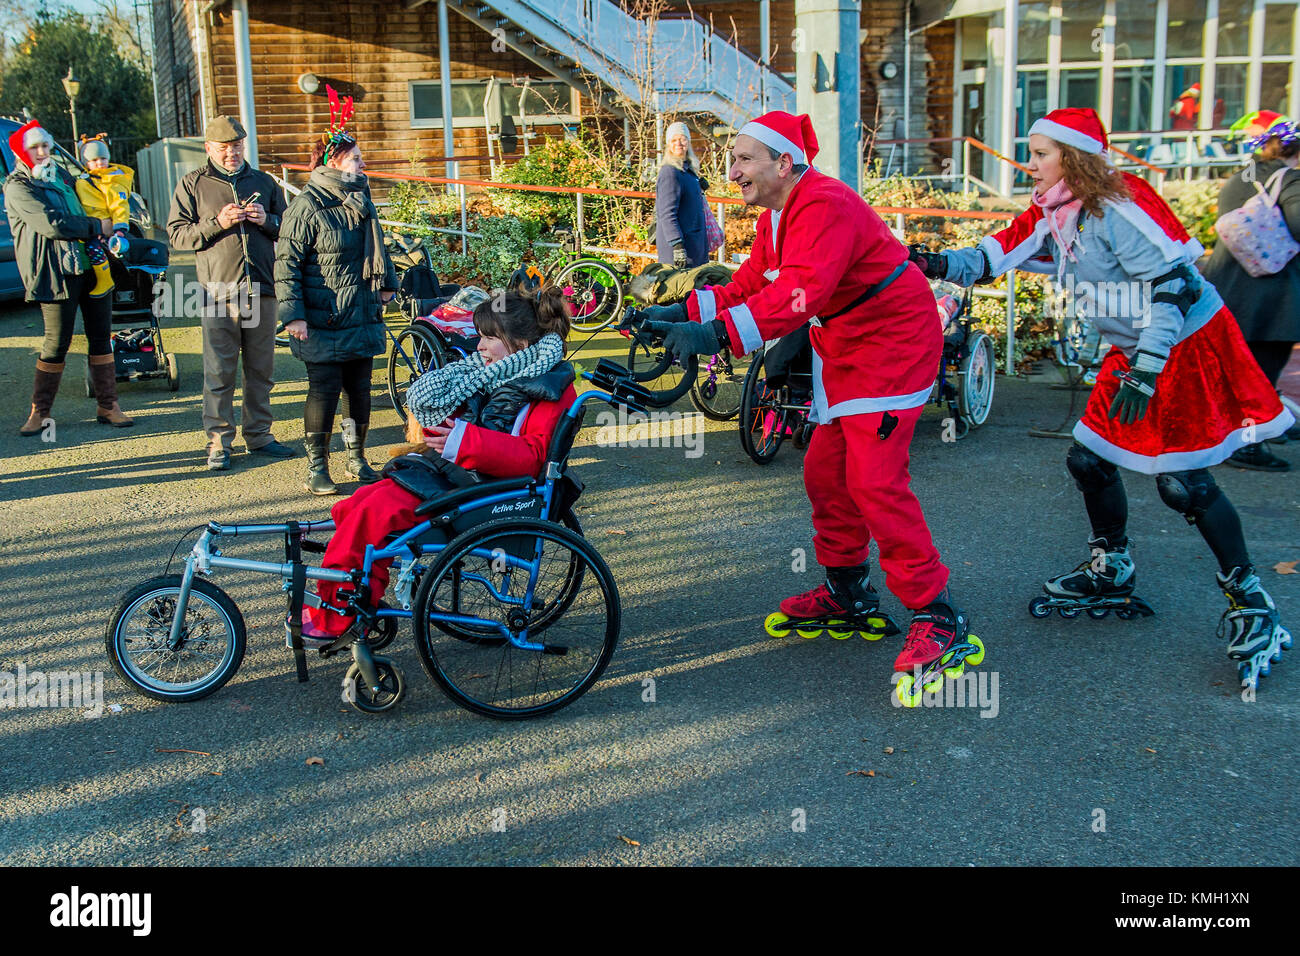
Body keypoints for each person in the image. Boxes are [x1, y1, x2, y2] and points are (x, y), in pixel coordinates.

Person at [911, 107, 1294, 689]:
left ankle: (1252, 601)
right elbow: (994, 254)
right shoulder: (1057, 208)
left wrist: (1147, 369)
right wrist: (931, 262)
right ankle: (1112, 566)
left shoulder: (1118, 204)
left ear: (1074, 158)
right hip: (1133, 349)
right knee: (1088, 457)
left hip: (1181, 345)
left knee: (1181, 483)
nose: (1029, 165)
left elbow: (1175, 285)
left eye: (1040, 154)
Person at [640, 110, 966, 684]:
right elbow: (747, 286)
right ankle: (848, 590)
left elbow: (797, 296)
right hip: (847, 346)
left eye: (743, 159)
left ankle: (935, 613)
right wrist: (680, 312)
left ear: (783, 163)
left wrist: (713, 336)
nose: (731, 170)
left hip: (893, 345)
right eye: (731, 158)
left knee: (875, 481)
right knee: (825, 469)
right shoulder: (779, 214)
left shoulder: (824, 205)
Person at [295, 286, 575, 643]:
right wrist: (443, 416)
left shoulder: (547, 386)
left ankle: (337, 614)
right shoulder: (504, 372)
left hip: (483, 489)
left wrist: (463, 441)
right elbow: (474, 427)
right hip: (460, 474)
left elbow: (532, 458)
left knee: (369, 517)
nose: (479, 347)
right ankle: (357, 598)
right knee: (354, 506)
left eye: (489, 338)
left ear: (519, 344)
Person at [275, 93, 398, 496]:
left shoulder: (362, 201)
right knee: (324, 390)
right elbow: (286, 263)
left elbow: (377, 250)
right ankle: (317, 465)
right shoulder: (306, 206)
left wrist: (387, 285)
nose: (362, 166)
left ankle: (357, 456)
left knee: (359, 390)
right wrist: (292, 315)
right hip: (322, 317)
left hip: (360, 311)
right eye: (356, 160)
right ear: (334, 162)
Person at [167, 114, 294, 471]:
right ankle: (219, 441)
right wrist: (217, 223)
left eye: (236, 146)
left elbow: (287, 227)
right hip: (218, 290)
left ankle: (260, 435)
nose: (231, 153)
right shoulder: (193, 184)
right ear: (208, 148)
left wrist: (265, 220)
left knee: (261, 370)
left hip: (261, 289)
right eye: (223, 148)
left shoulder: (264, 182)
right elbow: (177, 235)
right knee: (219, 371)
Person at [5, 119, 134, 435]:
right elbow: (54, 224)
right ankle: (40, 412)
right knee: (56, 343)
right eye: (34, 147)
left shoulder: (63, 176)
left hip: (90, 265)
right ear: (22, 153)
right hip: (54, 272)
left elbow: (91, 201)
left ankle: (108, 405)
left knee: (101, 335)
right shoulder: (18, 186)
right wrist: (98, 227)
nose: (41, 152)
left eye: (45, 146)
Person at [1201, 110, 1300, 471]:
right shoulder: (1289, 179)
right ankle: (1248, 442)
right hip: (1273, 293)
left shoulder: (1242, 177)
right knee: (1263, 369)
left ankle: (1260, 427)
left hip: (1230, 285)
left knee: (1239, 367)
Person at [73, 133, 132, 297]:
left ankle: (106, 280)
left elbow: (119, 206)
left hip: (103, 226)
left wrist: (119, 227)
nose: (99, 163)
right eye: (93, 160)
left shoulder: (111, 181)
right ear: (86, 163)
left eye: (102, 158)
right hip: (90, 224)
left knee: (95, 248)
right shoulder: (87, 179)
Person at [655, 121, 708, 269]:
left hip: (693, 244)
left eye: (682, 139)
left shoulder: (687, 169)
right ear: (668, 144)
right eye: (673, 140)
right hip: (680, 250)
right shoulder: (669, 172)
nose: (678, 143)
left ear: (688, 142)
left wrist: (698, 185)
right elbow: (666, 213)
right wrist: (677, 245)